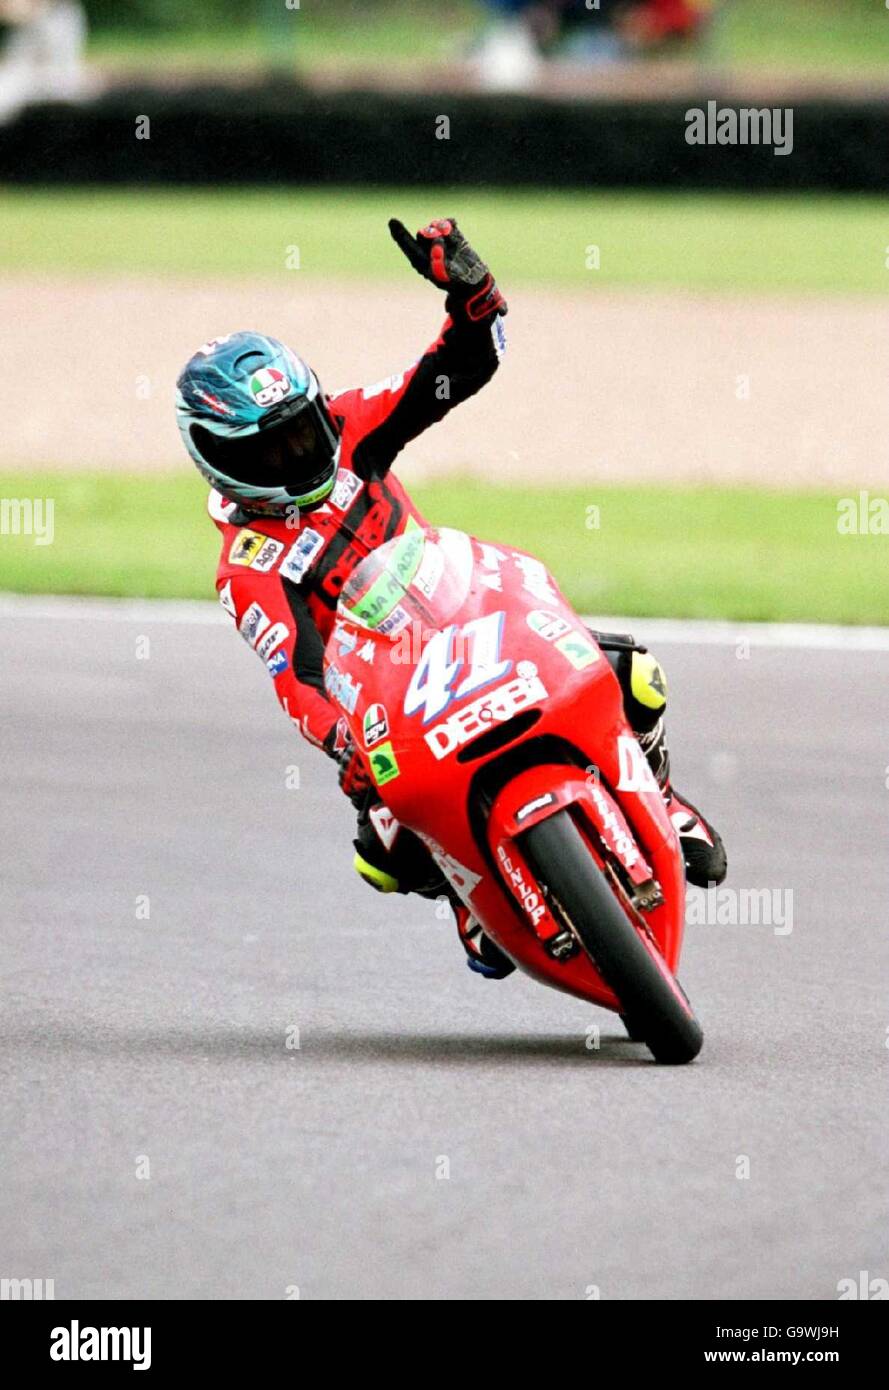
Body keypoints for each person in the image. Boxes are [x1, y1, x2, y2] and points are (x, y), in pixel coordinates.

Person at [175, 216, 726, 979]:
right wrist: (345, 744)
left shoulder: (351, 429)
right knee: (382, 854)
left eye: (299, 432)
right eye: (266, 449)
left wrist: (471, 290)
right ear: (216, 457)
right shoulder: (250, 566)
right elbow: (296, 679)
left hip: (472, 620)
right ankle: (468, 889)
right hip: (387, 701)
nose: (297, 454)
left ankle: (658, 796)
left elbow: (455, 370)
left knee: (632, 673)